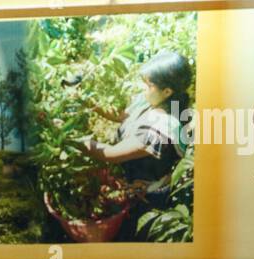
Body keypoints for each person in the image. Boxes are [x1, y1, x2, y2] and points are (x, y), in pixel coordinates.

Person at [78, 50, 192, 237]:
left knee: (130, 228)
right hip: (130, 178)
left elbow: (110, 154)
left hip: (146, 196)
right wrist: (87, 101)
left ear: (167, 91)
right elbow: (123, 115)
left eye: (148, 85)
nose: (143, 89)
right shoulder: (155, 100)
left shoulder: (159, 129)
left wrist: (77, 141)